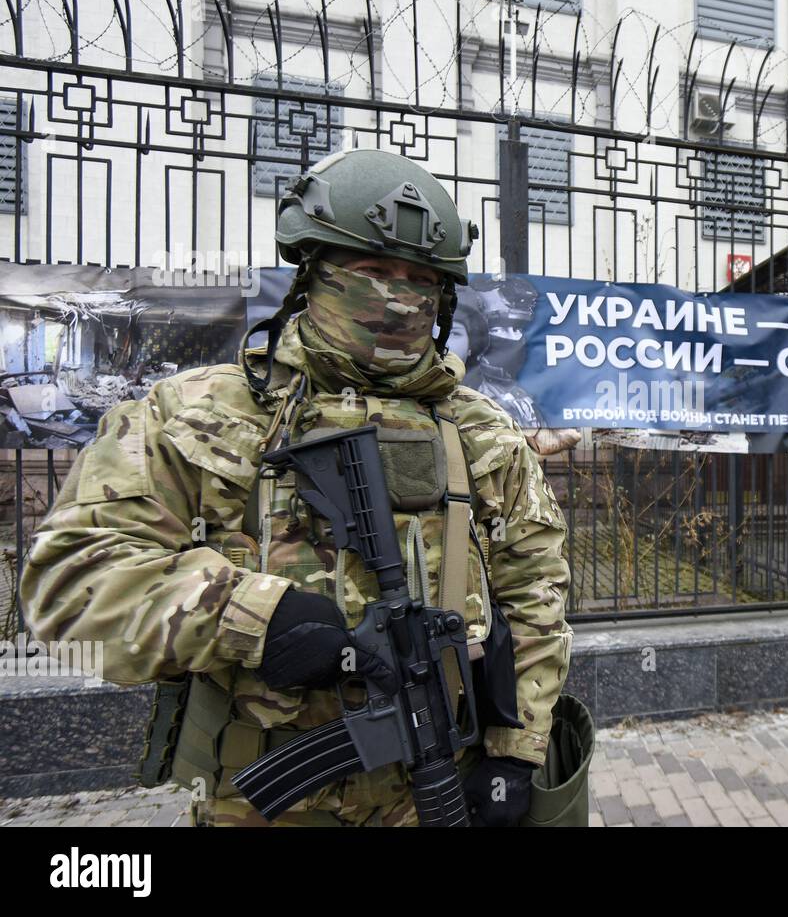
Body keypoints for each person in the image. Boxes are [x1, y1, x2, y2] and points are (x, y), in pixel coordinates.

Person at [19, 148, 575, 827]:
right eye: (371, 271)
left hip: (439, 791)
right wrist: (254, 615)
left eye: (418, 278)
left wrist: (514, 756)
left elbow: (536, 596)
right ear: (314, 273)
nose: (398, 296)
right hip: (262, 802)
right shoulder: (198, 411)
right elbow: (69, 579)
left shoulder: (483, 432)